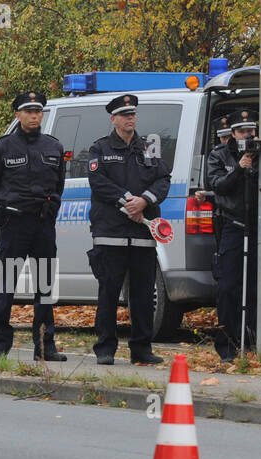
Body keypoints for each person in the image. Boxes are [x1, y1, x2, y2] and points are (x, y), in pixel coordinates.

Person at [0, 90, 68, 361]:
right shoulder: (2, 147)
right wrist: (0, 211)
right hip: (14, 224)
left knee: (44, 287)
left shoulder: (53, 146)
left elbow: (59, 185)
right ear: (18, 115)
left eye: (38, 111)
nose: (34, 116)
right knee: (6, 286)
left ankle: (45, 346)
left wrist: (52, 208)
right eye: (28, 112)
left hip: (42, 224)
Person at [85, 93, 170, 366]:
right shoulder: (99, 148)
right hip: (110, 233)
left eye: (133, 114)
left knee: (143, 295)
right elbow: (98, 182)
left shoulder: (149, 148)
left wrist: (145, 200)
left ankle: (141, 349)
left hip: (143, 234)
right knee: (108, 294)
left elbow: (163, 179)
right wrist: (128, 202)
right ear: (113, 119)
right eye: (124, 114)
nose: (130, 118)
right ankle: (105, 349)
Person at [206, 108, 261, 361]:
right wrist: (239, 168)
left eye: (252, 130)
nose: (249, 134)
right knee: (228, 287)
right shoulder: (220, 154)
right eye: (243, 131)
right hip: (233, 227)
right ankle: (228, 347)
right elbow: (217, 185)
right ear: (233, 134)